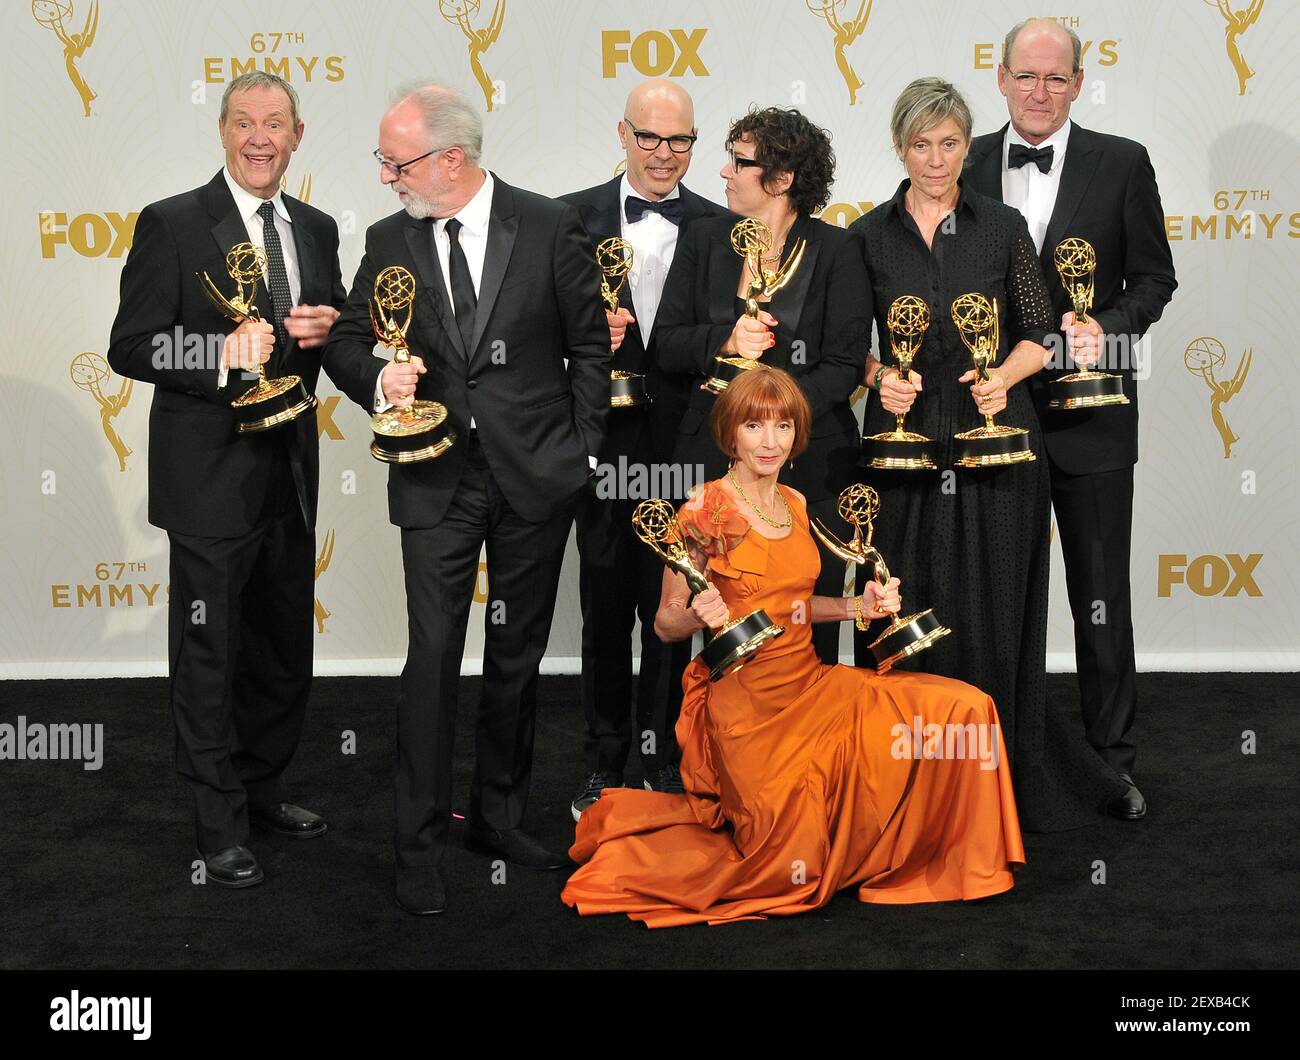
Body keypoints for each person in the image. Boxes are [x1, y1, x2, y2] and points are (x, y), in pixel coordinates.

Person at [561, 368, 1024, 927]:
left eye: (782, 426)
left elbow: (795, 607)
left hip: (814, 688)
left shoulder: (795, 502)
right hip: (749, 715)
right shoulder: (705, 510)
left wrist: (861, 607)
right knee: (789, 865)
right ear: (731, 434)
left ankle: (953, 865)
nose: (770, 440)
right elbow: (663, 625)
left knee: (964, 712)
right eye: (754, 426)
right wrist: (695, 615)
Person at [321, 84, 610, 916]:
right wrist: (378, 377)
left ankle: (497, 818)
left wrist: (581, 450)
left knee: (515, 655)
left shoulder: (550, 224)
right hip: (434, 475)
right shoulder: (388, 237)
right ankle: (416, 846)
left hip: (534, 474)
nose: (386, 177)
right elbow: (345, 337)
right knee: (433, 658)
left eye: (397, 161)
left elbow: (592, 345)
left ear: (454, 158)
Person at [849, 77, 1128, 832]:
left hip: (998, 445)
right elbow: (844, 347)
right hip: (904, 452)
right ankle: (903, 788)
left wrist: (1007, 373)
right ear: (899, 148)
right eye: (920, 144)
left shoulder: (1003, 227)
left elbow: (1045, 329)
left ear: (966, 147)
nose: (935, 159)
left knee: (996, 612)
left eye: (948, 144)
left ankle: (1003, 785)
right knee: (905, 609)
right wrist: (879, 376)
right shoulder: (867, 236)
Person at [107, 72, 345, 887]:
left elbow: (332, 332)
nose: (258, 137)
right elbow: (131, 347)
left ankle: (266, 786)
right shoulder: (172, 223)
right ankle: (217, 822)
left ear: (297, 137)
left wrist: (332, 329)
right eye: (244, 122)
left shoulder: (313, 229)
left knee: (282, 644)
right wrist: (214, 353)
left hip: (289, 470)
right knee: (211, 650)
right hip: (207, 480)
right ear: (221, 131)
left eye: (274, 124)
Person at [965, 19, 1177, 820]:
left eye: (1057, 79)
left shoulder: (1123, 162)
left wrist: (1109, 329)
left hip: (1095, 418)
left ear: (1080, 84)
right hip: (997, 416)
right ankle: (995, 765)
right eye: (1027, 76)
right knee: (993, 594)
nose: (1040, 92)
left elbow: (1155, 278)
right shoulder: (965, 160)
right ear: (1001, 76)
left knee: (1099, 594)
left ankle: (1110, 768)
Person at [558, 80, 729, 820]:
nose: (665, 155)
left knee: (676, 605)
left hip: (688, 441)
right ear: (622, 134)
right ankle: (603, 760)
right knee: (603, 605)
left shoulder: (727, 228)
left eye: (681, 141)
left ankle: (663, 760)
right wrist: (583, 347)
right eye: (651, 138)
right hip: (603, 443)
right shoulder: (566, 220)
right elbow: (534, 337)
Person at [654, 106, 871, 666]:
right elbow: (667, 344)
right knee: (710, 613)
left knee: (808, 619)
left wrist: (771, 417)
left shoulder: (838, 250)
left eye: (739, 163)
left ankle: (807, 748)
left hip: (813, 464)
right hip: (710, 456)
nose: (724, 173)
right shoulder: (703, 239)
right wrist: (725, 340)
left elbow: (844, 365)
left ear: (781, 179)